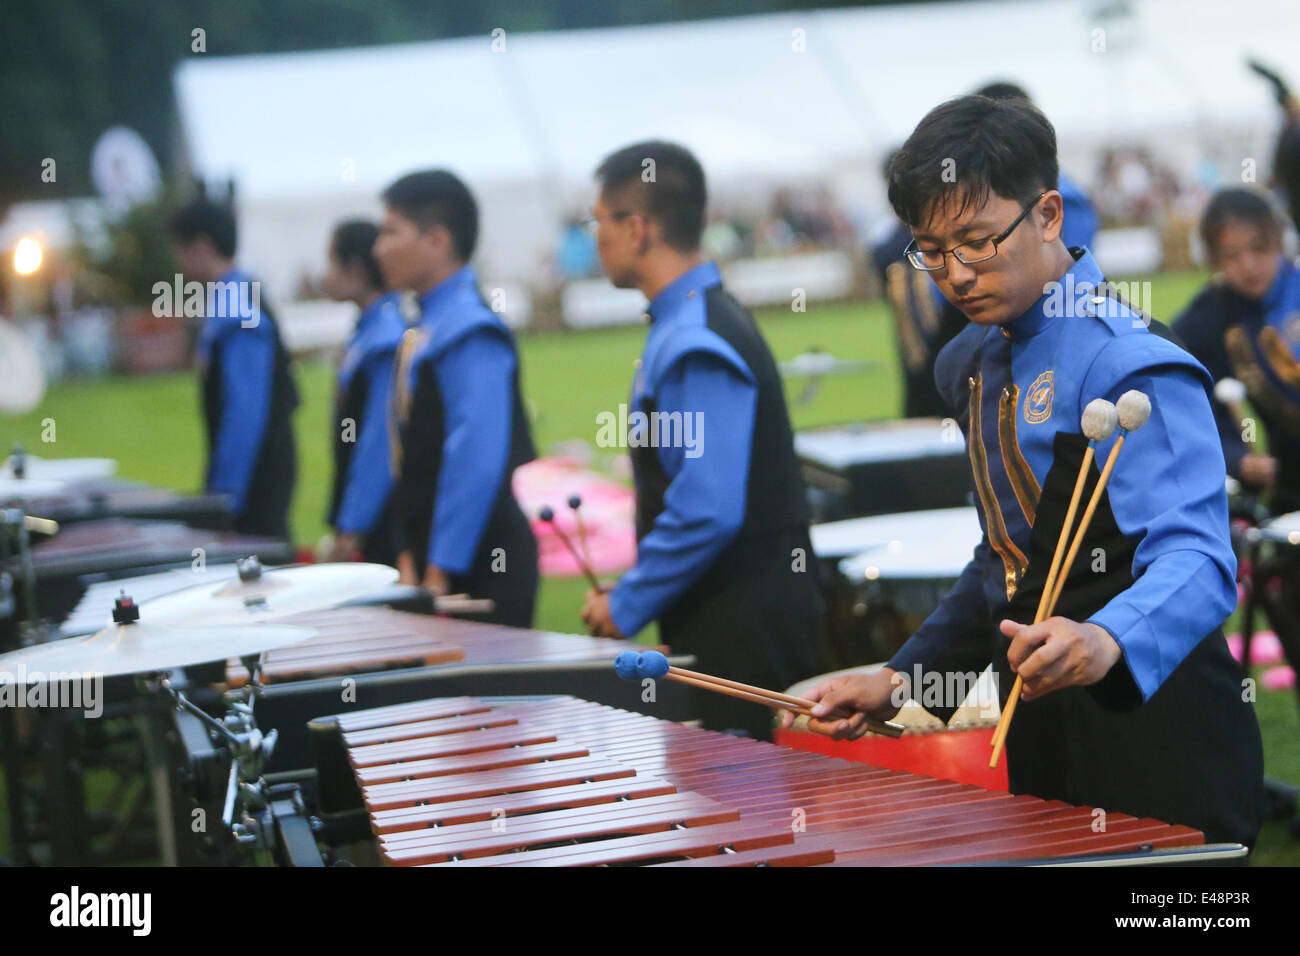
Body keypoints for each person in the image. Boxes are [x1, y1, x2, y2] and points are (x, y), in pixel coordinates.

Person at [786, 96, 1264, 848]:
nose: (955, 273)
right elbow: (1008, 567)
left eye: (976, 241)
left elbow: (1200, 560)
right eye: (931, 250)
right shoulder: (973, 363)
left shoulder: (1127, 362)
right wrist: (905, 679)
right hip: (1044, 733)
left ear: (1047, 215)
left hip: (1157, 733)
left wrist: (1107, 636)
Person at [579, 141, 826, 741]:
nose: (594, 236)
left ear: (636, 229)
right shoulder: (686, 321)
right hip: (730, 611)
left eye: (599, 221)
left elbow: (707, 506)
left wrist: (629, 599)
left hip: (746, 626)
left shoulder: (695, 335)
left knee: (759, 820)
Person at [373, 170, 538, 626]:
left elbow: (476, 459)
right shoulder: (426, 325)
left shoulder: (469, 328)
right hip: (436, 560)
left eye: (391, 232)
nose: (378, 247)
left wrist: (440, 568)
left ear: (437, 241)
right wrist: (410, 548)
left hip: (480, 566)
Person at [169, 198, 298, 539]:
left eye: (181, 249)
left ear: (202, 246)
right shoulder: (235, 293)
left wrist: (225, 500)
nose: (177, 261)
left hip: (256, 477)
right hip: (261, 470)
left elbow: (244, 413)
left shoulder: (235, 308)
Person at [1173, 188, 1300, 515]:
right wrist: (1236, 458)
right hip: (1286, 483)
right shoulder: (1207, 318)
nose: (1248, 265)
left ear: (1279, 241)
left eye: (1259, 249)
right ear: (1213, 259)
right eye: (1231, 255)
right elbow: (1186, 403)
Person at [319, 219, 407, 564]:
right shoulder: (368, 330)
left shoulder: (385, 338)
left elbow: (379, 442)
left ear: (355, 269)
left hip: (387, 519)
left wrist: (352, 525)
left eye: (331, 262)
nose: (325, 275)